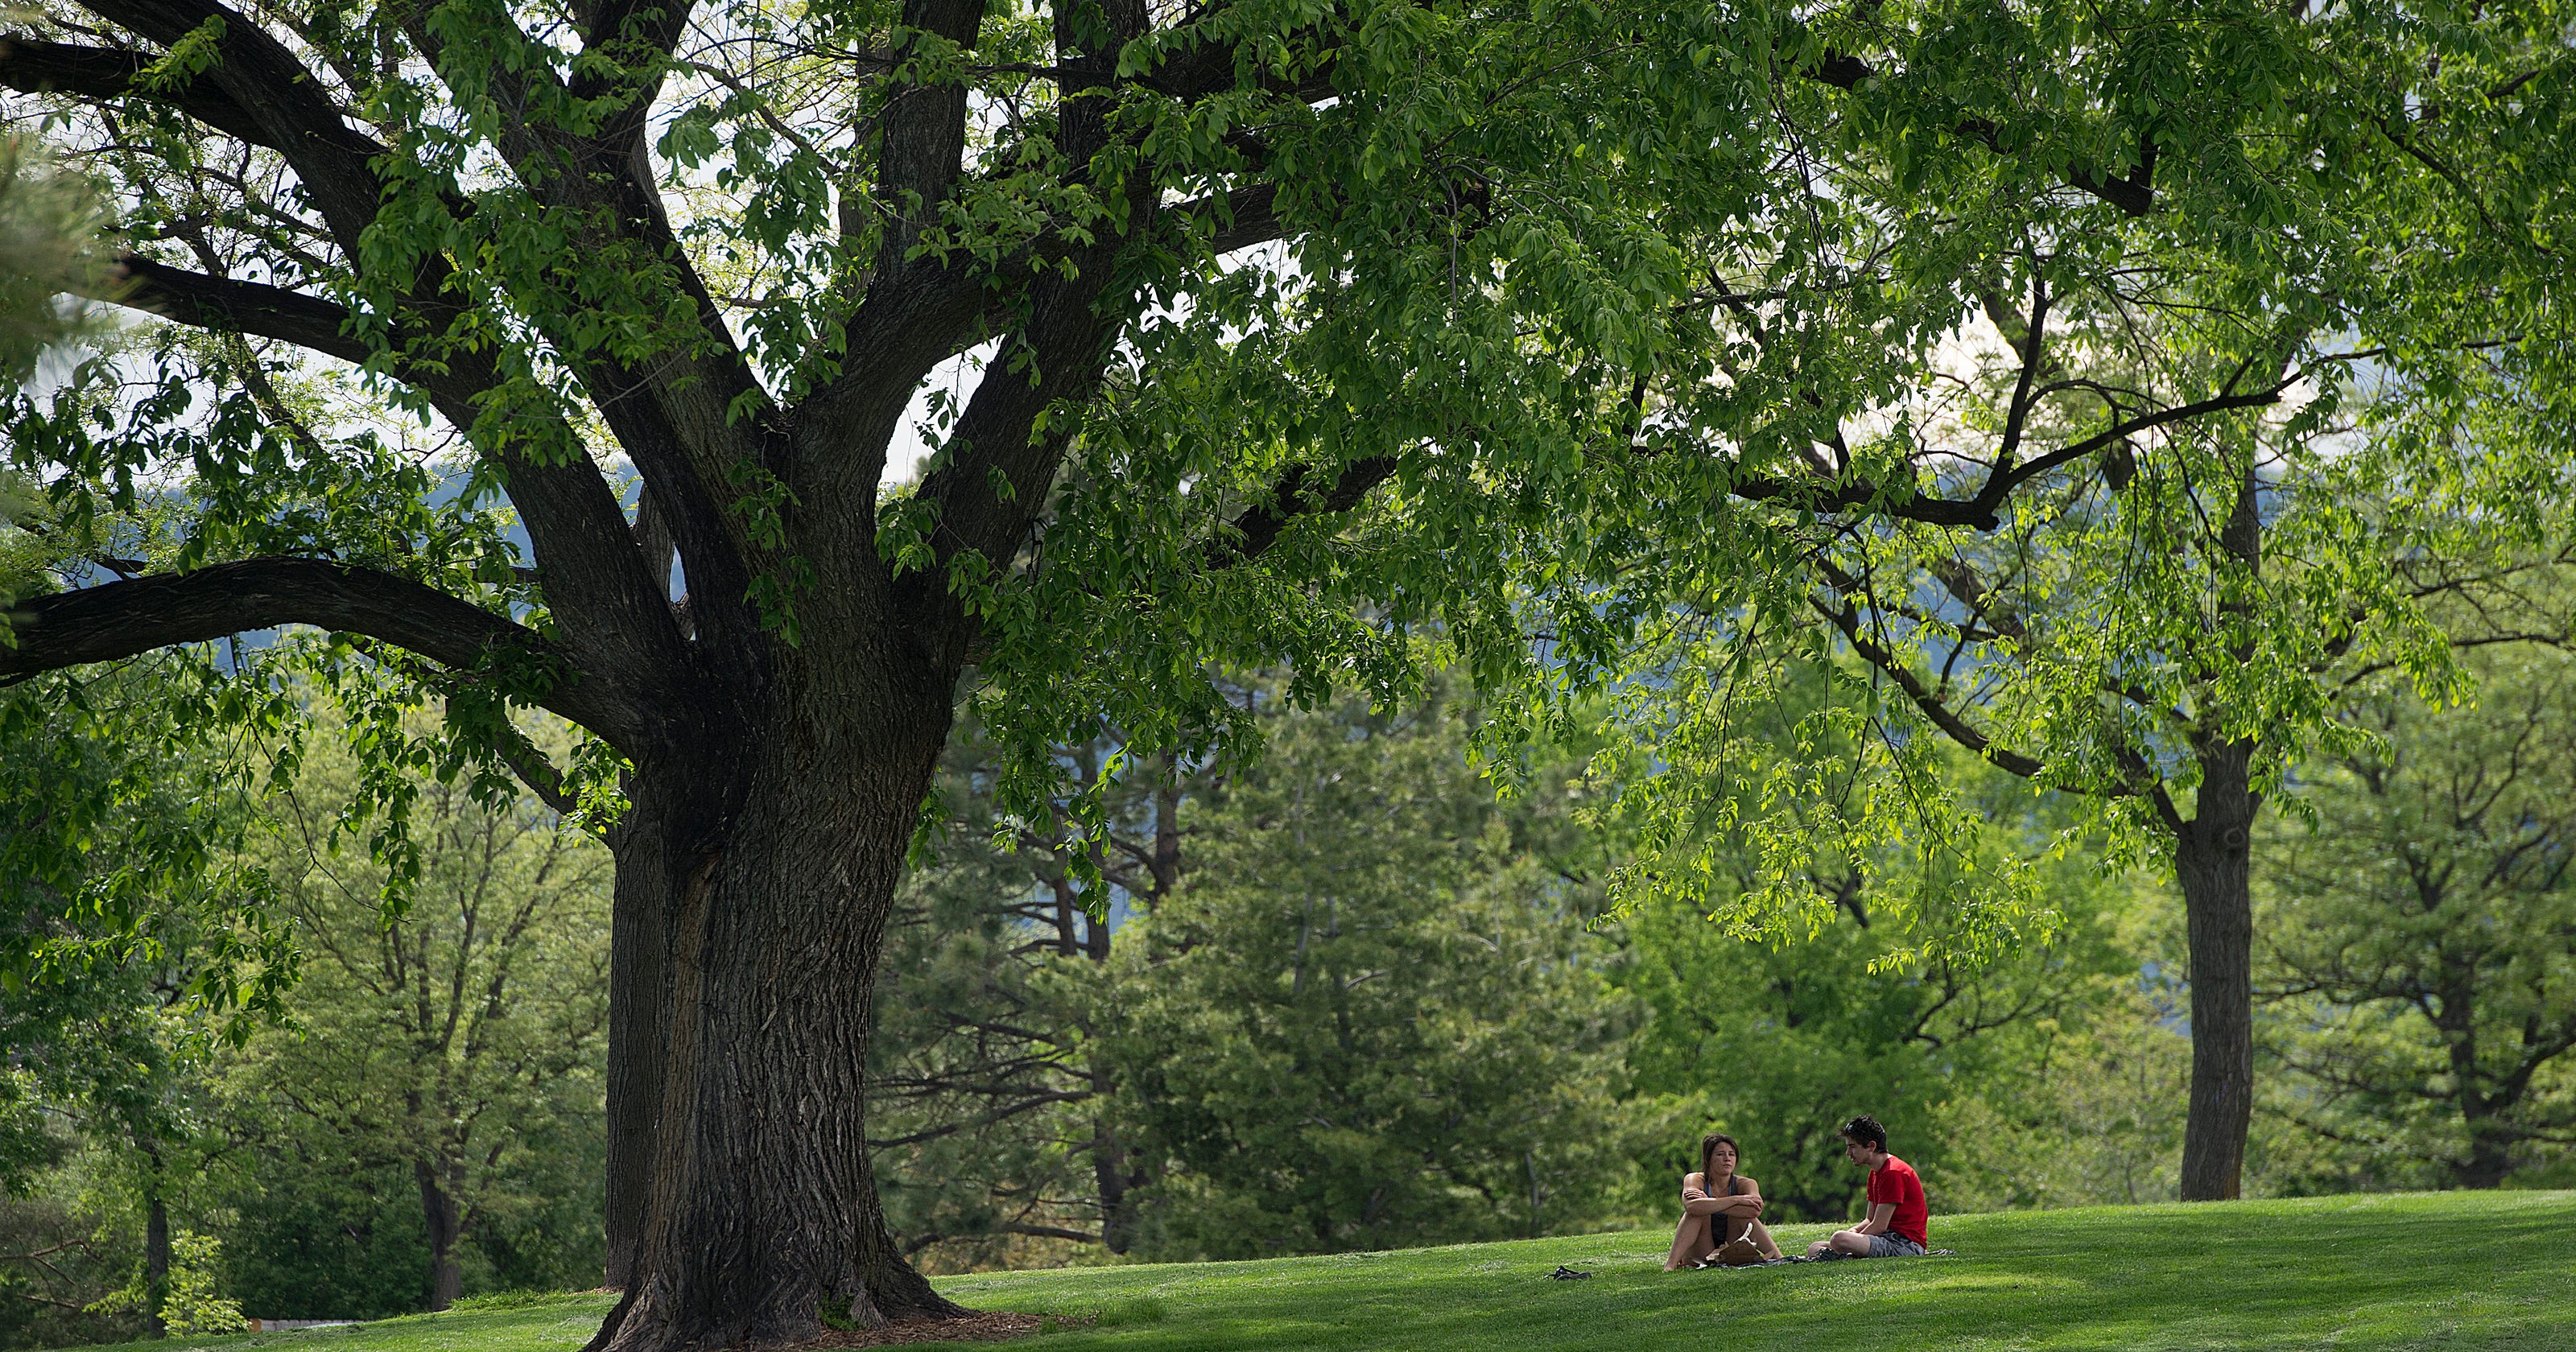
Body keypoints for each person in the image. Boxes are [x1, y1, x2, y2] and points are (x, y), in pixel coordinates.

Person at [1806, 1114, 1930, 1259]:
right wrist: (1855, 1231)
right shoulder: (1875, 1173)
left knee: (1839, 1239)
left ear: (1871, 1146)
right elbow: (1870, 1219)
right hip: (1883, 1239)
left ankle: (1844, 1255)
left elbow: (1879, 1226)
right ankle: (1844, 1256)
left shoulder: (1893, 1173)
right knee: (1814, 1248)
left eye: (1852, 1147)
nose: (1848, 1153)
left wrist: (1850, 1241)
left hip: (1903, 1245)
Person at [1665, 1131, 1785, 1268]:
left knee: (1744, 1216)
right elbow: (1692, 1207)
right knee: (1696, 1215)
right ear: (1708, 1158)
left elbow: (1754, 1210)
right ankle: (1670, 1265)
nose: (1727, 1159)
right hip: (1701, 1251)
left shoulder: (1746, 1183)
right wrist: (1736, 1200)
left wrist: (1709, 1202)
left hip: (1733, 1248)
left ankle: (1779, 1258)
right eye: (1720, 1154)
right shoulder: (1695, 1179)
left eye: (1731, 1154)